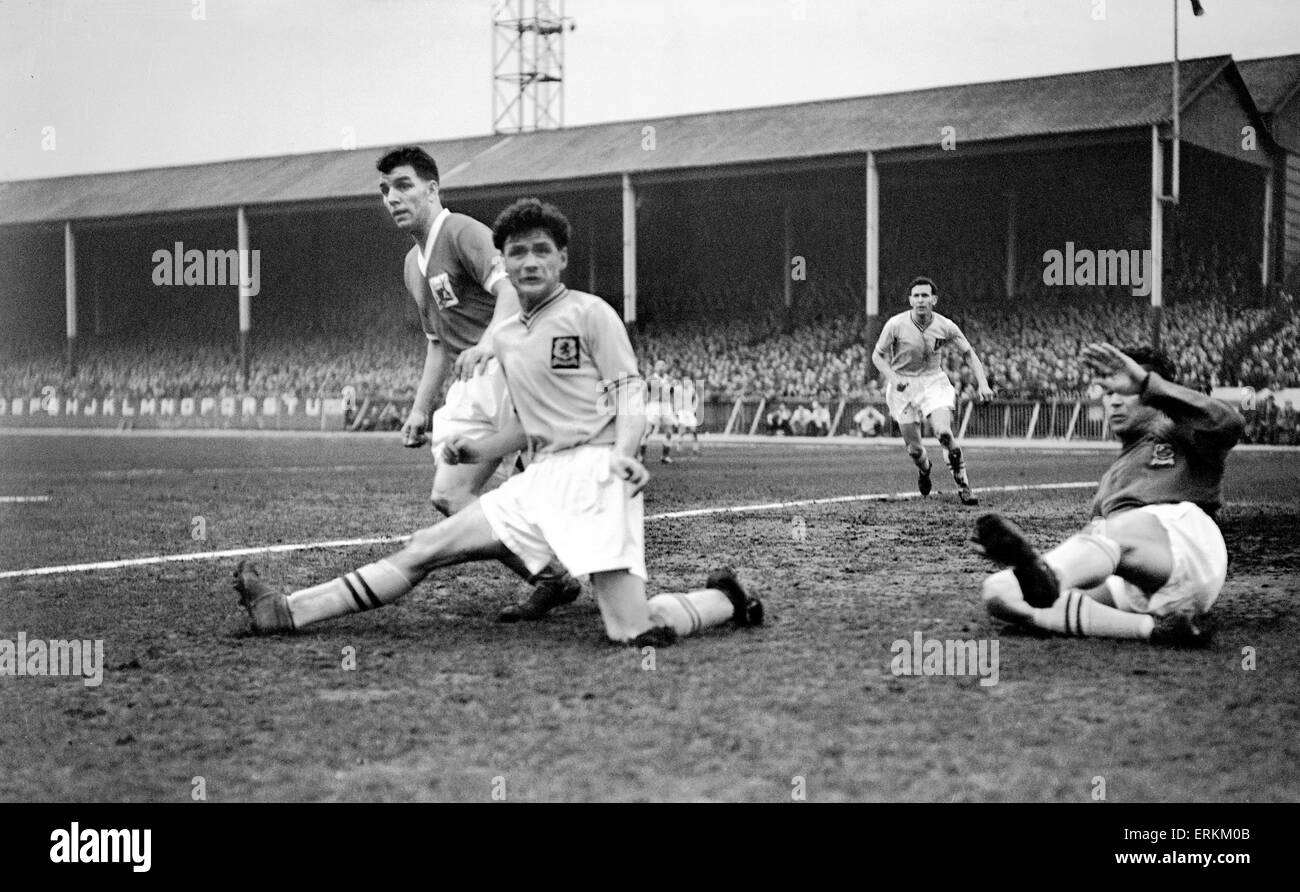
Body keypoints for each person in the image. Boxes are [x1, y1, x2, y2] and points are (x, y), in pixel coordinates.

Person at [233, 198, 764, 646]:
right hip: (538, 481)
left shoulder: (590, 313)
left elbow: (629, 392)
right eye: (517, 252)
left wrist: (626, 451)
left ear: (560, 260)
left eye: (541, 251)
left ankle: (723, 599)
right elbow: (529, 426)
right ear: (504, 263)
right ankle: (288, 610)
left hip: (597, 474)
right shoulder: (508, 337)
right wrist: (477, 451)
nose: (529, 261)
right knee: (424, 549)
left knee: (629, 630)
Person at [377, 146, 580, 622]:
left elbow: (510, 288)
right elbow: (438, 343)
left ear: (431, 189)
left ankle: (608, 574)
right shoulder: (413, 265)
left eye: (404, 186)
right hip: (473, 382)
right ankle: (551, 577)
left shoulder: (463, 231)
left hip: (513, 367)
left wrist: (492, 341)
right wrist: (418, 408)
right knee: (449, 496)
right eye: (385, 190)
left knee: (540, 491)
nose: (392, 197)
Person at [974, 343, 1244, 648]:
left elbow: (1230, 424)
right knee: (999, 592)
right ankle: (1156, 630)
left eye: (1125, 392)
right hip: (1141, 587)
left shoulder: (1179, 432)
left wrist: (1145, 383)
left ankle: (1049, 578)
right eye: (1108, 393)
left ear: (1154, 395)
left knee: (1108, 531)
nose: (1114, 402)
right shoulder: (1109, 484)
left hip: (1190, 549)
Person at [871, 276, 993, 505]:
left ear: (933, 300)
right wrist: (893, 377)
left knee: (944, 433)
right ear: (910, 300)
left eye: (925, 295)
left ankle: (964, 486)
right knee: (915, 451)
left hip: (933, 382)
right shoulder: (895, 325)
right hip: (902, 387)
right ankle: (925, 469)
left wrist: (983, 383)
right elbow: (877, 356)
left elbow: (969, 353)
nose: (920, 300)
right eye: (916, 296)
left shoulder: (945, 326)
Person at [639, 360, 675, 464]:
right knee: (647, 431)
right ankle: (641, 455)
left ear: (666, 367)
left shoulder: (669, 379)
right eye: (658, 365)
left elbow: (673, 393)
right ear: (655, 367)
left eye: (663, 365)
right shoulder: (650, 379)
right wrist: (644, 404)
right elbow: (644, 392)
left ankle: (665, 456)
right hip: (654, 405)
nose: (661, 367)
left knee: (669, 432)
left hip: (666, 405)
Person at [672, 369, 702, 455]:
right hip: (681, 412)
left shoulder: (691, 389)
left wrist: (694, 409)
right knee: (682, 431)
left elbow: (696, 399)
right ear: (682, 381)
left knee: (694, 431)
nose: (687, 381)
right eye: (685, 380)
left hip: (689, 412)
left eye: (688, 380)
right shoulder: (677, 389)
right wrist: (675, 412)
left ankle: (695, 449)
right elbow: (672, 398)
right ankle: (678, 449)